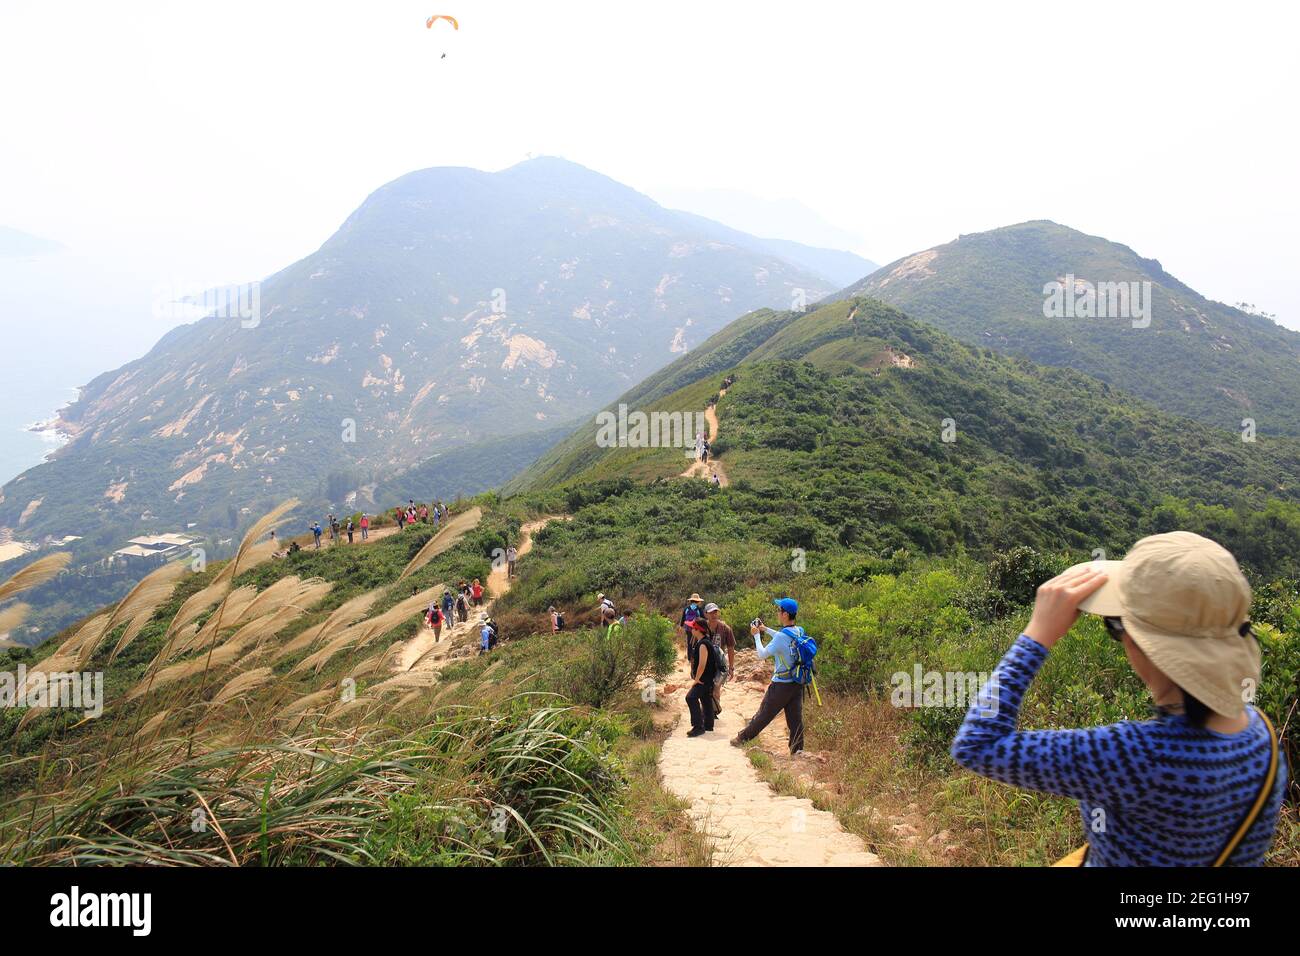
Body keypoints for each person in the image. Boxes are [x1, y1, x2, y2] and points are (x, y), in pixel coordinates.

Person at [951, 532, 1287, 867]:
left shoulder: (1134, 755)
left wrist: (1038, 633)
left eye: (1116, 625)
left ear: (1143, 645)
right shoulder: (1264, 739)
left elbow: (978, 743)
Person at [731, 598, 806, 754]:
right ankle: (797, 750)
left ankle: (742, 738)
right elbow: (784, 636)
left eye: (779, 610)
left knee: (764, 714)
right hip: (797, 682)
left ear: (785, 614)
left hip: (781, 685)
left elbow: (762, 654)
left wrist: (757, 635)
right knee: (795, 719)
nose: (778, 613)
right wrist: (765, 629)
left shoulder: (780, 637)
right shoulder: (799, 630)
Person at [684, 618, 718, 737]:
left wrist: (697, 679)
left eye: (693, 627)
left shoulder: (703, 644)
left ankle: (698, 727)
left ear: (698, 630)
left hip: (704, 679)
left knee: (690, 698)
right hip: (708, 679)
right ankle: (708, 725)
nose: (691, 629)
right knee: (705, 699)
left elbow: (702, 664)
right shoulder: (705, 641)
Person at [704, 603, 735, 717]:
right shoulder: (702, 627)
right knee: (705, 687)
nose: (714, 614)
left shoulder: (725, 629)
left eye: (715, 612)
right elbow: (694, 647)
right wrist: (694, 666)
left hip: (719, 664)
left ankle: (714, 711)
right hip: (705, 663)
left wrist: (731, 668)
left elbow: (731, 648)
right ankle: (707, 710)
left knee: (716, 687)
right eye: (711, 612)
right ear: (706, 614)